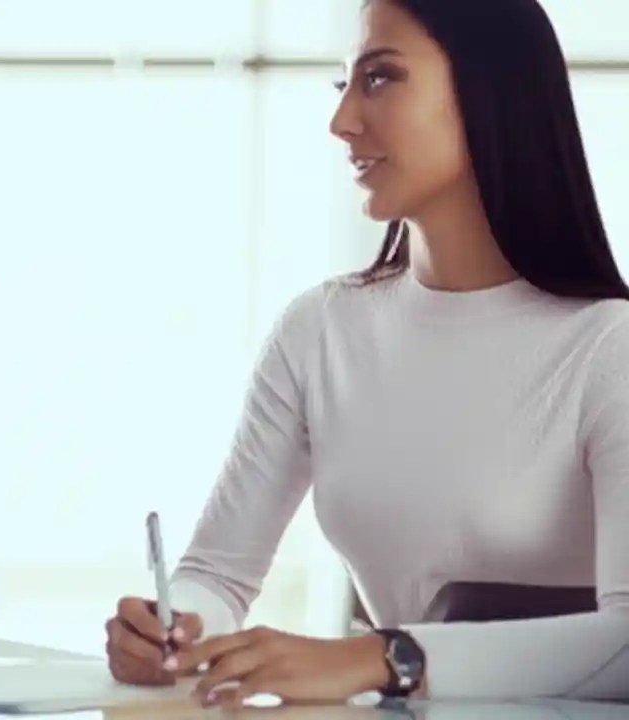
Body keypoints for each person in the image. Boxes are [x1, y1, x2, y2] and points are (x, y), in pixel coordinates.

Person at [105, 0, 629, 707]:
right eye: (342, 85)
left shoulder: (607, 348)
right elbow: (220, 576)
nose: (343, 120)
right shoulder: (320, 331)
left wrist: (388, 657)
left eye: (380, 79)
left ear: (489, 90)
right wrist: (175, 625)